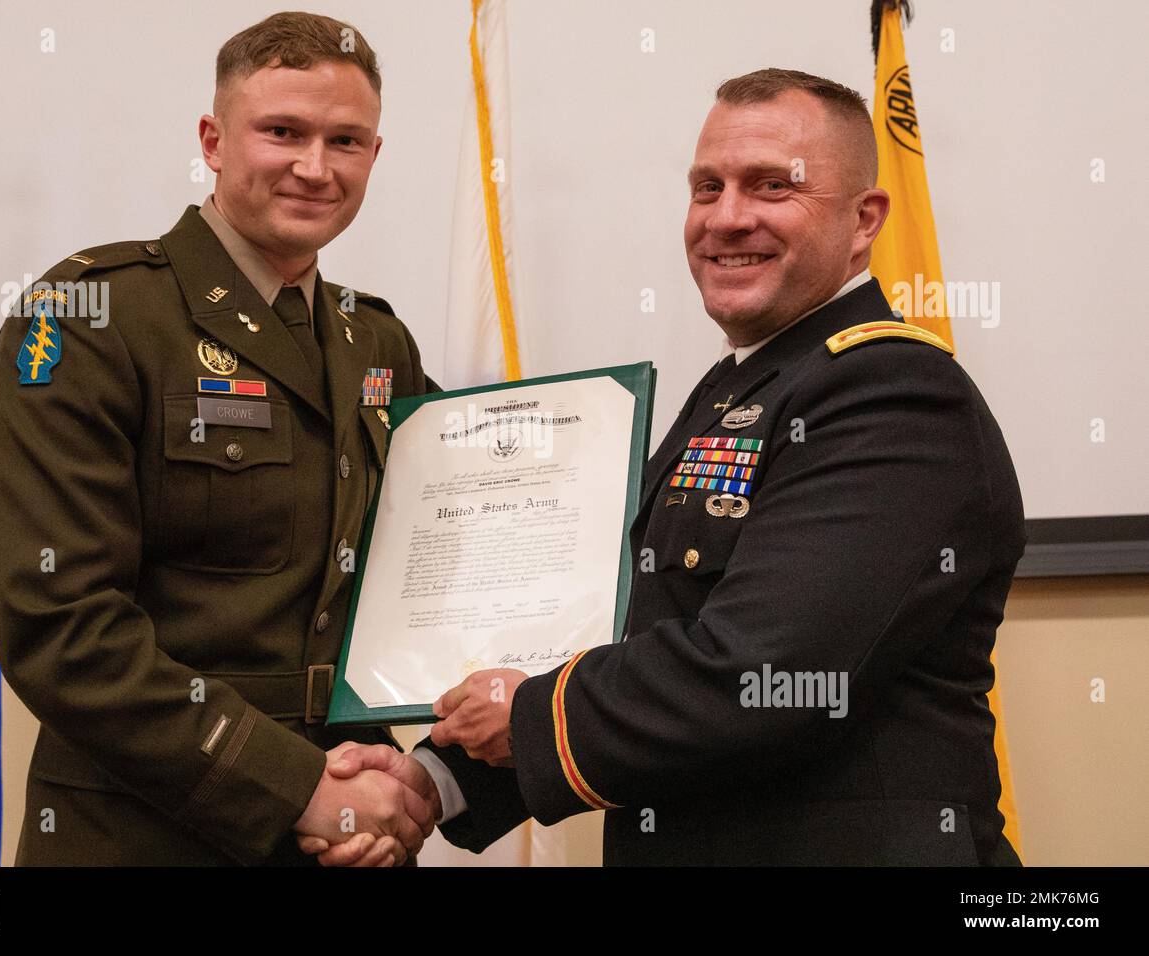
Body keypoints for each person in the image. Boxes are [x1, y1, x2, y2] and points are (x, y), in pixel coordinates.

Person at [312, 68, 1026, 866]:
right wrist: (429, 782)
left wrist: (525, 718)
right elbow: (635, 630)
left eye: (770, 187)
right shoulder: (742, 388)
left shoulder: (893, 394)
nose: (726, 218)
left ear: (864, 221)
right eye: (706, 187)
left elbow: (764, 672)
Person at [0, 11, 438, 866]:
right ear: (213, 140)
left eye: (346, 140)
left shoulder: (375, 342)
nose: (314, 166)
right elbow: (61, 626)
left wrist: (409, 779)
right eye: (282, 132)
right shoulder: (92, 315)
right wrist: (297, 787)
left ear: (374, 156)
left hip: (352, 829)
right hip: (144, 828)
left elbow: (451, 558)